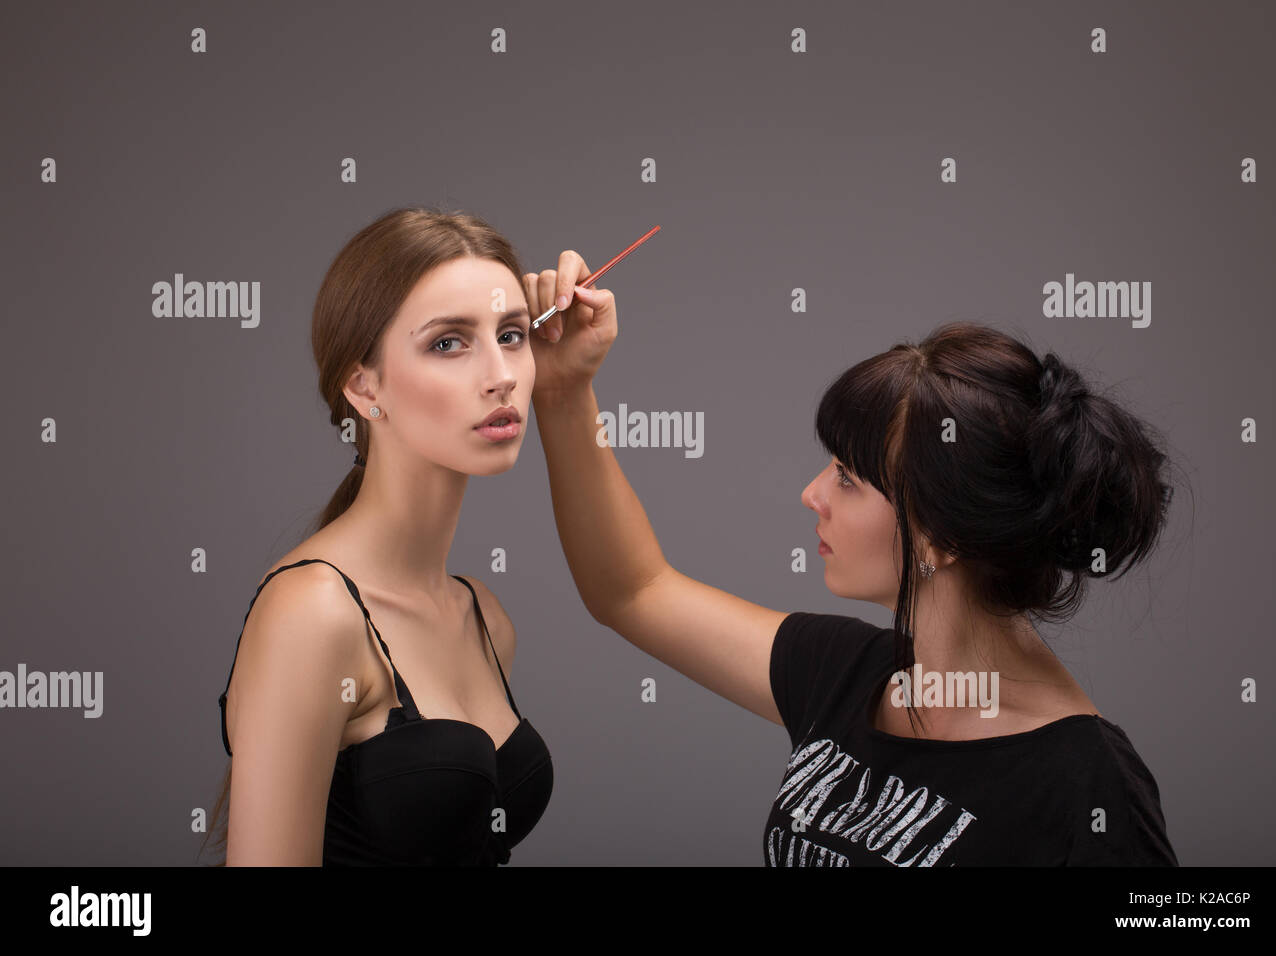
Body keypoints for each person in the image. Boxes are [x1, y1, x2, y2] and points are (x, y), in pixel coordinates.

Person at [526, 251, 1180, 866]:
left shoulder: (1089, 787)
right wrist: (563, 390)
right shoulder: (843, 675)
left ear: (939, 536)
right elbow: (632, 592)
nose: (811, 494)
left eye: (846, 476)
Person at [201, 208, 553, 866]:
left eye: (512, 334)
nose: (501, 373)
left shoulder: (483, 617)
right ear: (364, 387)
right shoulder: (312, 612)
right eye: (449, 342)